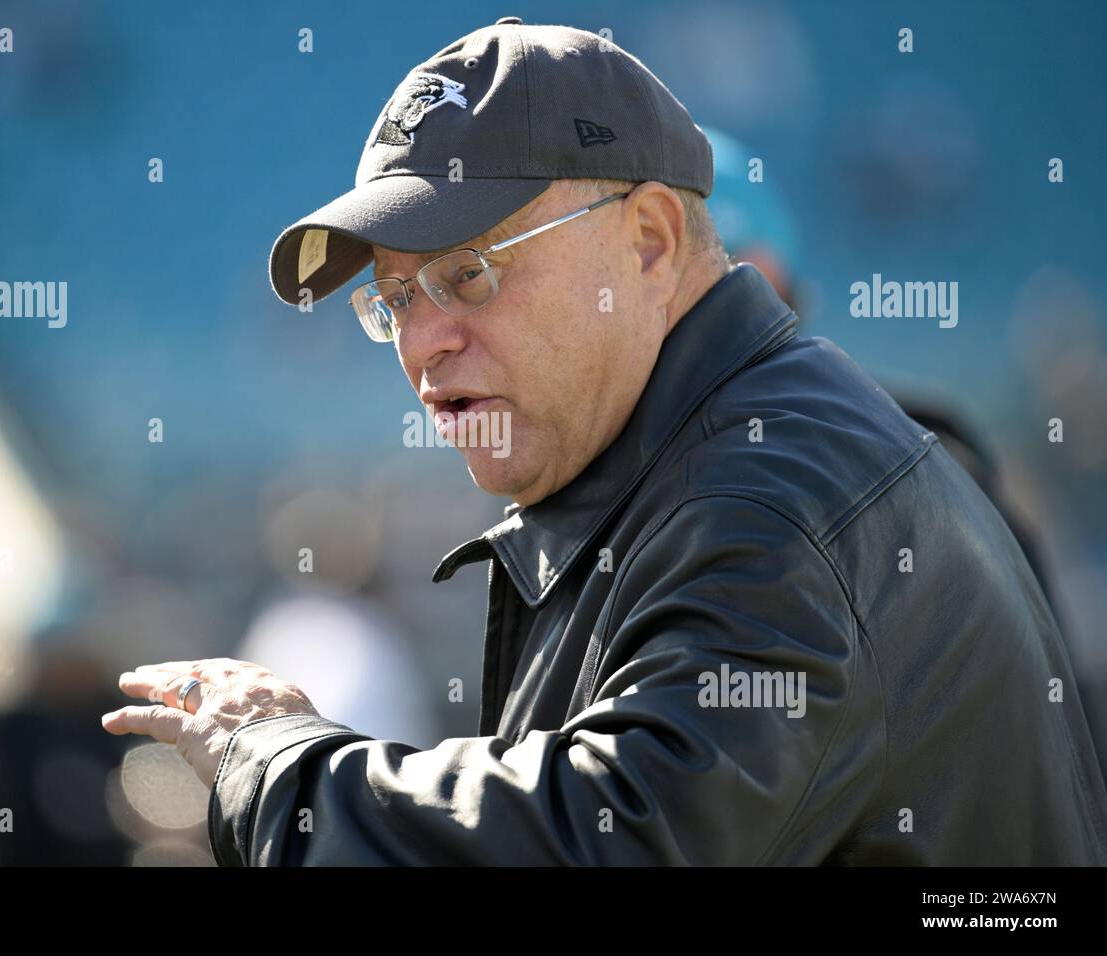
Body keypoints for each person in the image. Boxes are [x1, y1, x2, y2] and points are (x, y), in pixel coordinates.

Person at [101, 18, 1107, 865]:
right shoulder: (703, 462)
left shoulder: (770, 497)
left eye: (468, 273)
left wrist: (280, 765)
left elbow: (611, 836)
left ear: (651, 241)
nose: (421, 340)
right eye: (395, 296)